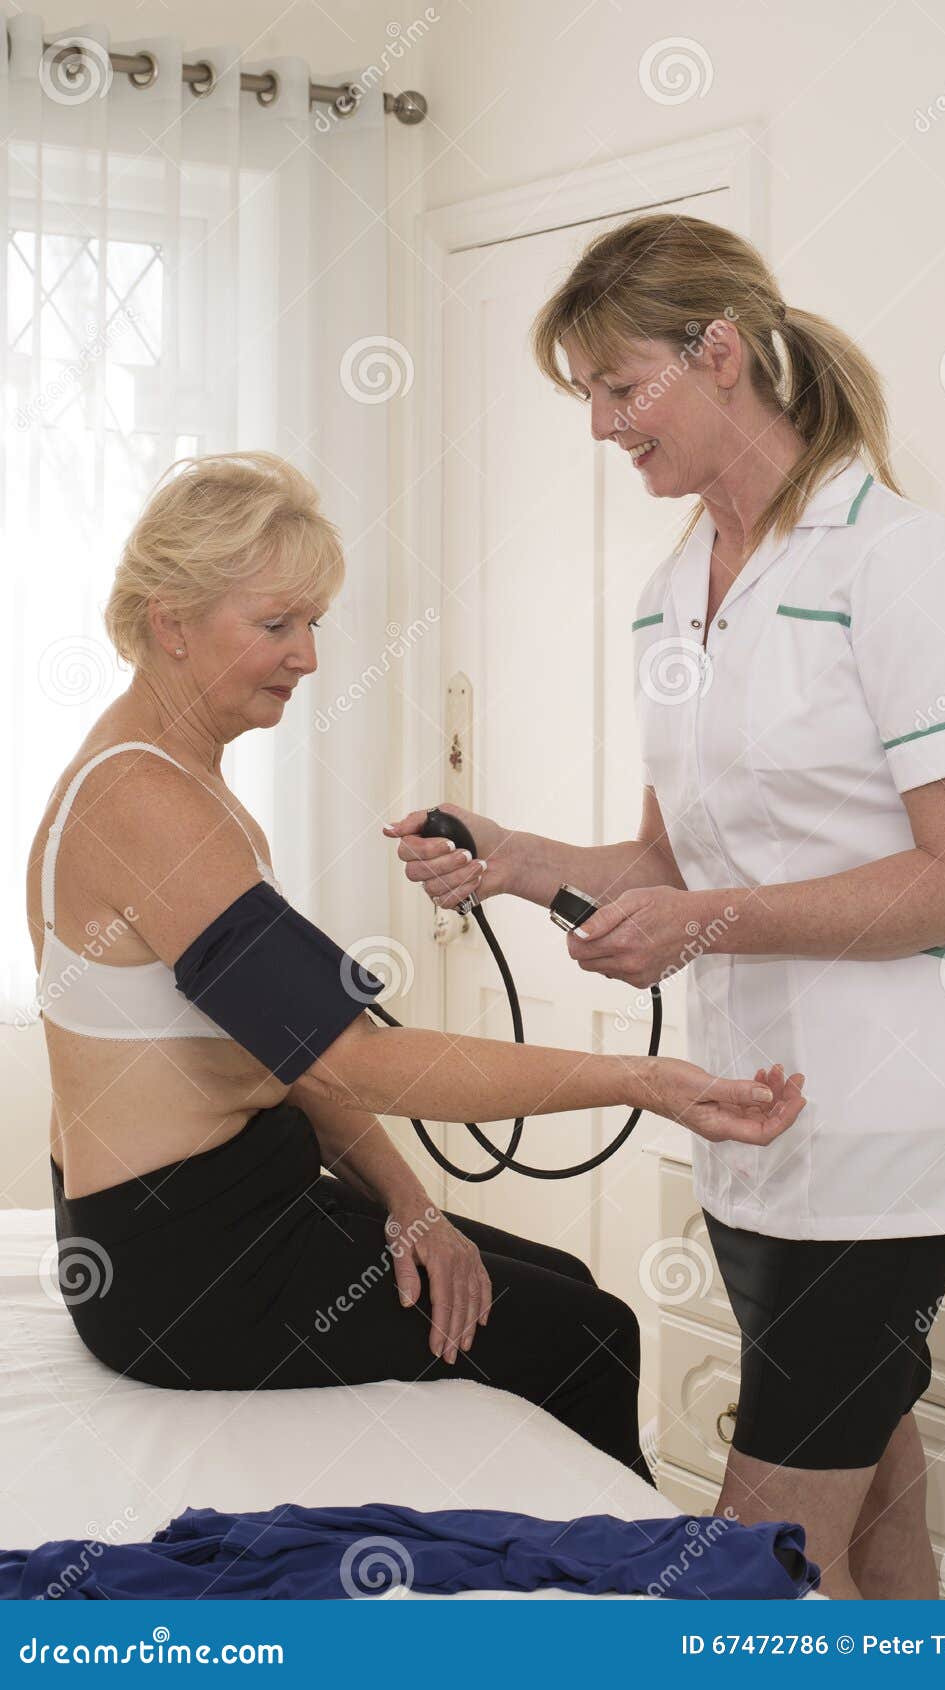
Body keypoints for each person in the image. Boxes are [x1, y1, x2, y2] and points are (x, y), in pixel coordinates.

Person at [387, 213, 945, 1592]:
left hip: (879, 1137)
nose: (604, 427)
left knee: (750, 1548)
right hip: (744, 1125)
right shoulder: (672, 589)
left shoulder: (895, 557)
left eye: (621, 388)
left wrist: (707, 924)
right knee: (877, 1518)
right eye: (591, 398)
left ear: (719, 351)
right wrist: (511, 856)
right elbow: (670, 867)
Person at [26, 448, 805, 1486]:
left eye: (314, 623)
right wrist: (641, 1080)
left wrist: (412, 1203)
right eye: (275, 625)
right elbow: (350, 1060)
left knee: (560, 1279)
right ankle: (617, 1612)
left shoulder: (175, 784)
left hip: (220, 1211)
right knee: (589, 1334)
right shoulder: (147, 807)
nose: (307, 656)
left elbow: (296, 1055)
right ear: (171, 621)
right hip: (186, 1271)